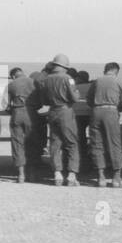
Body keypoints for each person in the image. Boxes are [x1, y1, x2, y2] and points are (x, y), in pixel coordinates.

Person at [87, 62, 122, 187]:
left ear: (105, 70)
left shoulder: (96, 81)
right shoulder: (119, 81)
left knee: (97, 144)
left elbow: (89, 99)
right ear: (116, 71)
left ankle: (101, 177)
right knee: (114, 144)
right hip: (111, 112)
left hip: (96, 112)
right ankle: (116, 178)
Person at [41, 53, 82, 186]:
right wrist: (76, 93)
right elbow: (74, 98)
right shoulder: (68, 78)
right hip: (65, 112)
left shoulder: (46, 79)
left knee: (55, 143)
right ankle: (71, 174)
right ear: (64, 66)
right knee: (71, 143)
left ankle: (57, 173)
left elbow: (45, 99)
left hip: (52, 112)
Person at [4, 67, 37, 184]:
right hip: (31, 114)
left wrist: (13, 110)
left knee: (17, 143)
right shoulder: (33, 82)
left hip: (17, 113)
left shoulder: (11, 85)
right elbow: (40, 100)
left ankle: (21, 175)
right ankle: (32, 173)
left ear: (13, 76)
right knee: (31, 143)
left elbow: (6, 105)